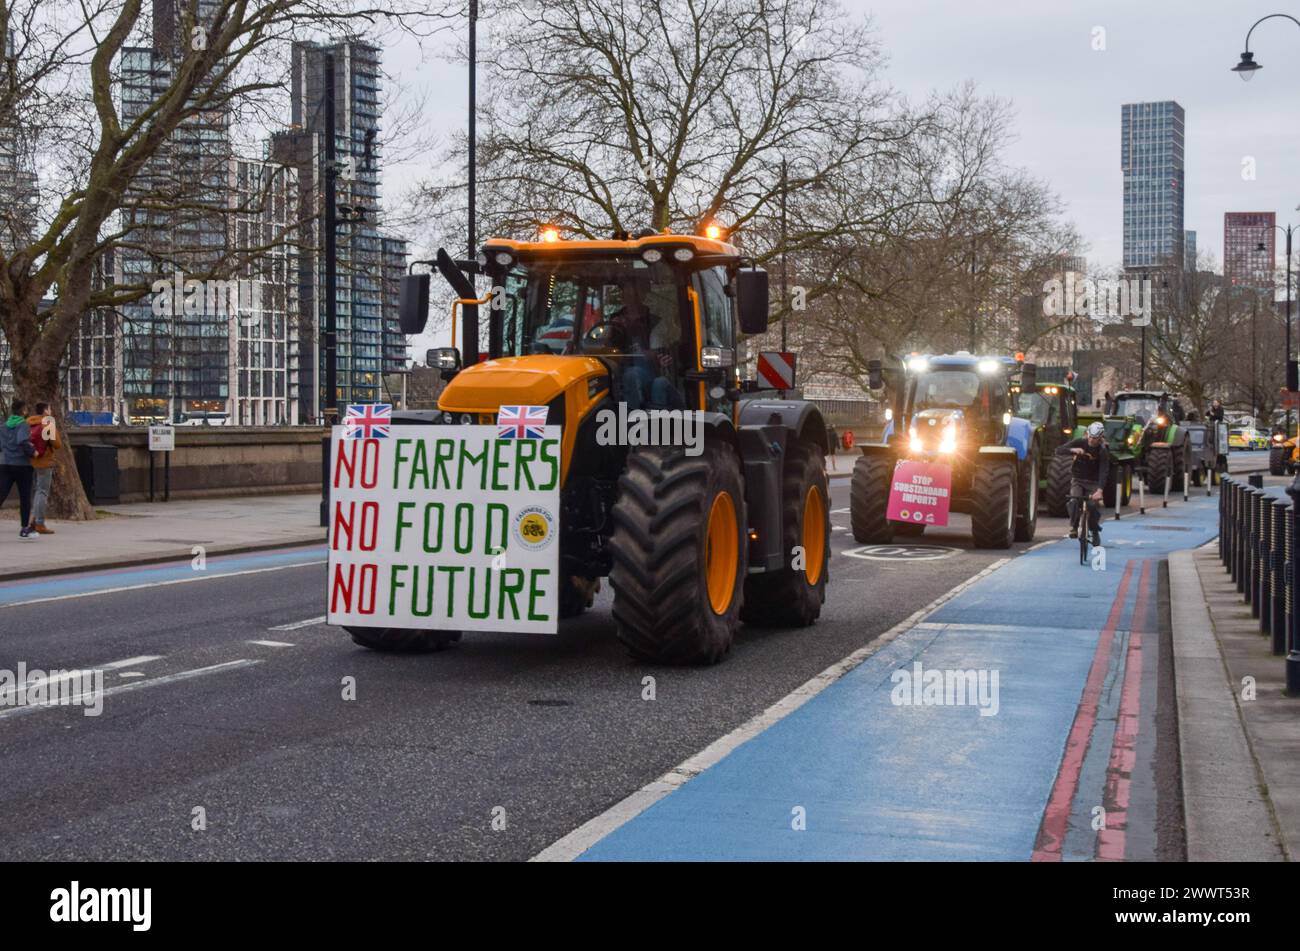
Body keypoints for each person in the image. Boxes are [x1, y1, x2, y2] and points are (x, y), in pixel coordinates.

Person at [1055, 420, 1110, 546]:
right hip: (1078, 479)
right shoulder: (1080, 442)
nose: (1091, 440)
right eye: (1089, 436)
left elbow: (1104, 471)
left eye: (1094, 438)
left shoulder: (1103, 451)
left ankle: (1094, 530)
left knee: (1092, 505)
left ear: (1100, 437)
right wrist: (1073, 450)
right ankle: (1074, 527)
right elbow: (1058, 450)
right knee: (1074, 500)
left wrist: (1100, 490)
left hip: (1093, 482)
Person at [0, 399, 37, 539]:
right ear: (23, 411)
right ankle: (24, 529)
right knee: (25, 497)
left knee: (1, 494)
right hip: (21, 465)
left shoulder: (3, 426)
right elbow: (22, 441)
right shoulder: (23, 425)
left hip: (4, 463)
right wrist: (33, 452)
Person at [26, 402, 58, 535]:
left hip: (30, 461)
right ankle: (39, 522)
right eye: (50, 408)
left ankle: (32, 520)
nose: (51, 411)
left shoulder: (28, 423)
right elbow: (57, 444)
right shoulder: (47, 423)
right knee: (42, 492)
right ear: (45, 411)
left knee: (35, 492)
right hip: (44, 462)